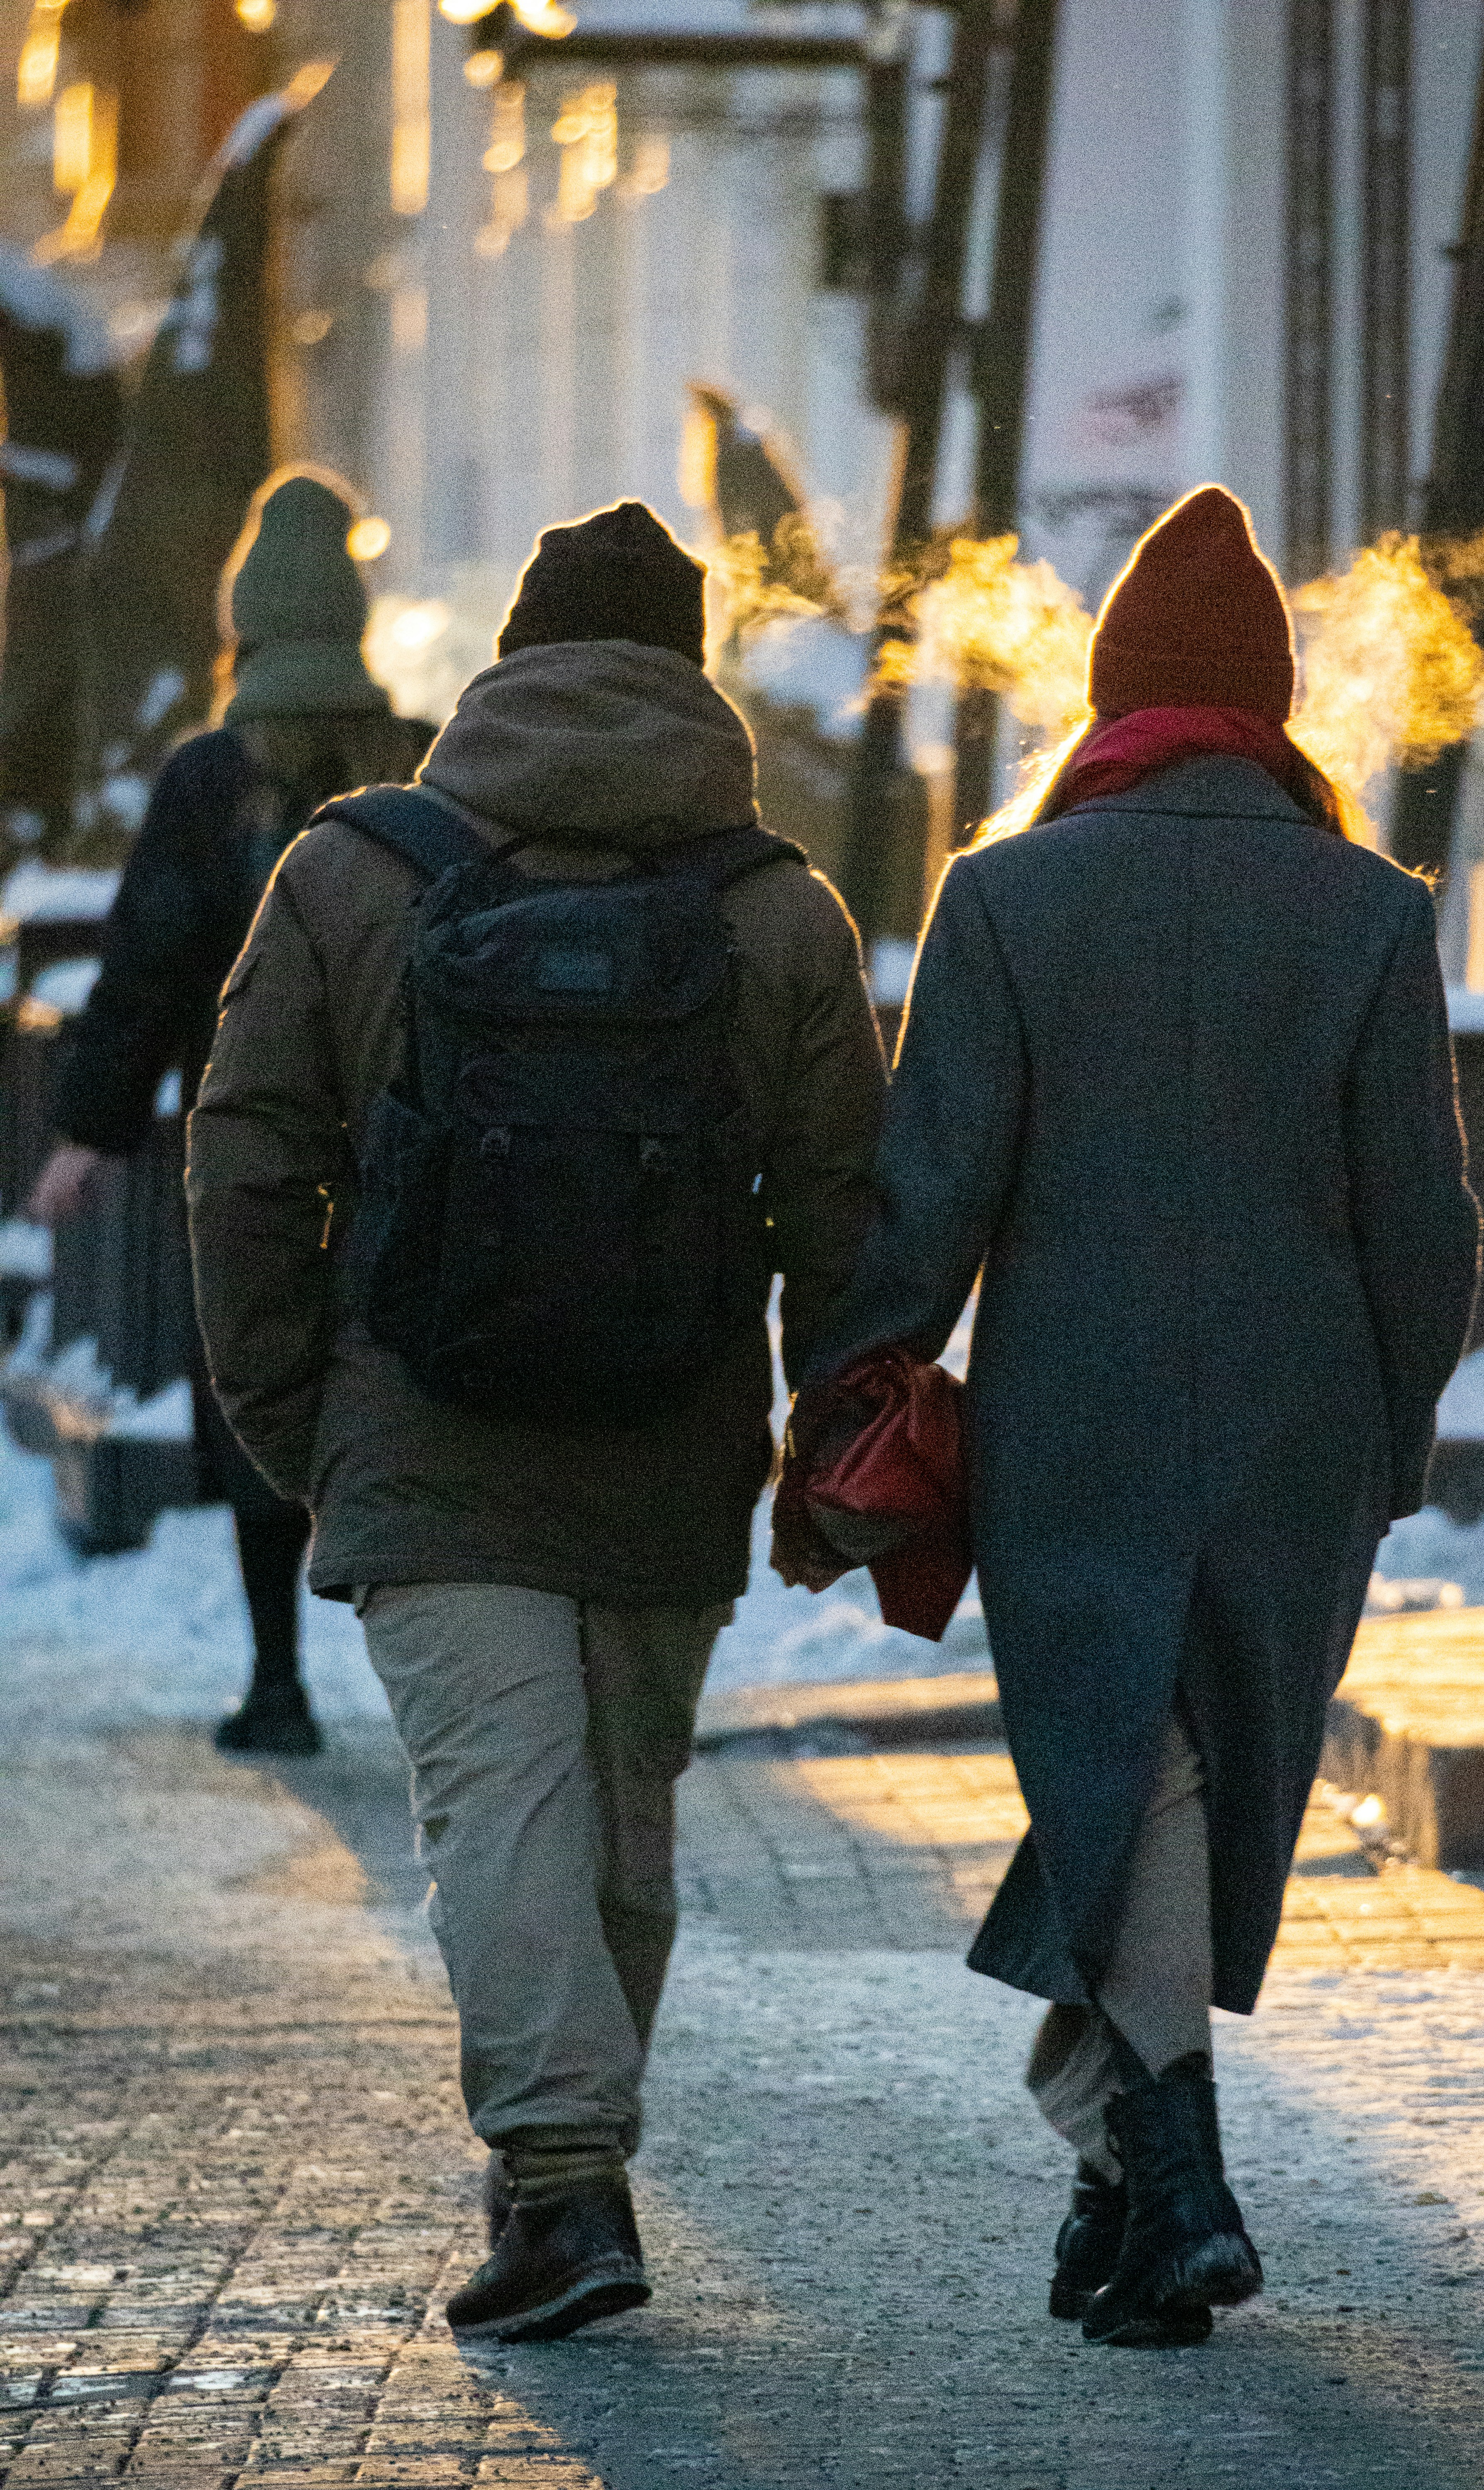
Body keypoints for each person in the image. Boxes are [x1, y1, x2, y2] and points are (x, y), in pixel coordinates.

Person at [778, 486, 1481, 2348]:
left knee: (1124, 1775)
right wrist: (1392, 1443)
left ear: (1111, 701)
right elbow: (1424, 1217)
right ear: (1268, 708)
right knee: (1183, 1781)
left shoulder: (1004, 899)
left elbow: (929, 1200)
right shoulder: (1365, 912)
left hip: (1070, 1423)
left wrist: (840, 1399)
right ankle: (1138, 2191)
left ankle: (1161, 2174)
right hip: (1295, 1426)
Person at [184, 498, 886, 2342]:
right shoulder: (778, 909)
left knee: (500, 1809)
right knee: (615, 1833)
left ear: (508, 660)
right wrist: (828, 1437)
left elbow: (248, 1159)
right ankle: (562, 2169)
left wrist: (298, 1418)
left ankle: (563, 2186)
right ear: (694, 674)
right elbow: (841, 1213)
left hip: (422, 1432)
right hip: (670, 1443)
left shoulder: (354, 873)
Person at [29, 467, 431, 1757]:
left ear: (244, 628)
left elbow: (146, 962)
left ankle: (278, 1686)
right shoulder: (416, 765)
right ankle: (437, 1688)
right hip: (407, 1145)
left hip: (248, 1146)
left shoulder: (208, 780)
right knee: (407, 1397)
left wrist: (89, 1129)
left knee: (257, 1390)